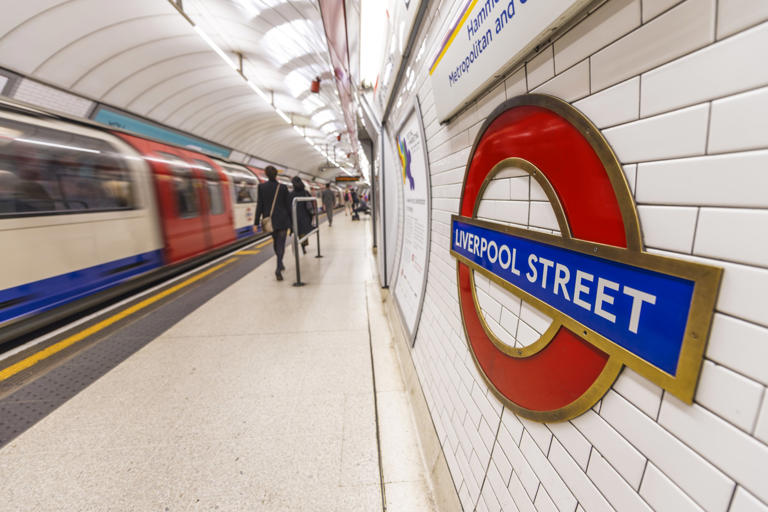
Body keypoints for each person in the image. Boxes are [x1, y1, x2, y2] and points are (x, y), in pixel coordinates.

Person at [255, 166, 291, 281]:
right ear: (276, 175)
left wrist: (256, 222)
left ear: (266, 175)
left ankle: (280, 264)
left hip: (269, 221)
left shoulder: (261, 187)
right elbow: (288, 205)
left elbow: (259, 205)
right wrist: (291, 221)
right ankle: (279, 266)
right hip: (282, 220)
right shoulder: (283, 188)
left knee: (276, 242)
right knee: (281, 243)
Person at [289, 176, 314, 254]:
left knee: (297, 232)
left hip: (295, 216)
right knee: (303, 232)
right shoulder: (305, 192)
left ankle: (298, 246)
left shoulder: (291, 194)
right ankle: (303, 247)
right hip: (305, 216)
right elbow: (310, 205)